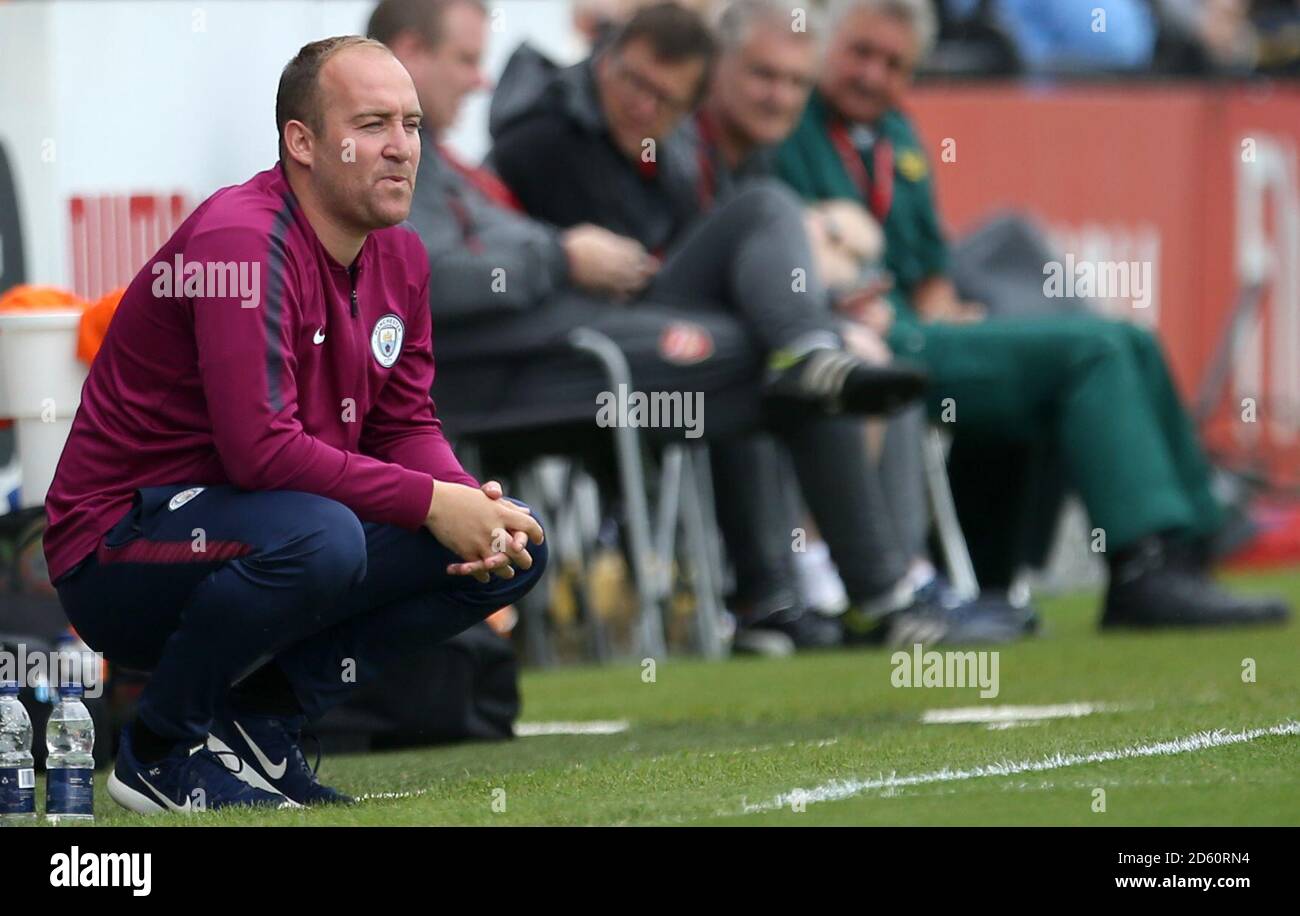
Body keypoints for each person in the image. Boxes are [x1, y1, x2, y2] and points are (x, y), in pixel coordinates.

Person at [42, 35, 547, 814]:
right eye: (373, 124)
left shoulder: (401, 256)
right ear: (301, 143)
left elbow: (403, 419)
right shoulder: (240, 241)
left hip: (269, 530)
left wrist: (461, 497)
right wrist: (432, 504)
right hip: (116, 549)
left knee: (513, 545)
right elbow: (259, 451)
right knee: (323, 537)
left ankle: (261, 723)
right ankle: (159, 752)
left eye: (412, 126)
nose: (401, 148)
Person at [488, 1, 1030, 644]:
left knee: (807, 361)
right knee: (774, 278)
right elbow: (529, 259)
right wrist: (562, 254)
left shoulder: (681, 146)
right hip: (576, 358)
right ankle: (830, 590)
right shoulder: (547, 133)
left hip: (650, 337)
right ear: (603, 60)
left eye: (664, 98)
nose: (643, 105)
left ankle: (829, 596)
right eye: (633, 82)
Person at [775, 0, 1290, 628]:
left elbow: (933, 273)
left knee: (1130, 338)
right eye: (861, 54)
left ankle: (1192, 546)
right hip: (871, 339)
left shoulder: (898, 136)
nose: (873, 75)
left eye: (894, 63)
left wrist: (953, 310)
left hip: (928, 329)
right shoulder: (793, 123)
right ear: (827, 45)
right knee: (1092, 349)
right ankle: (1141, 568)